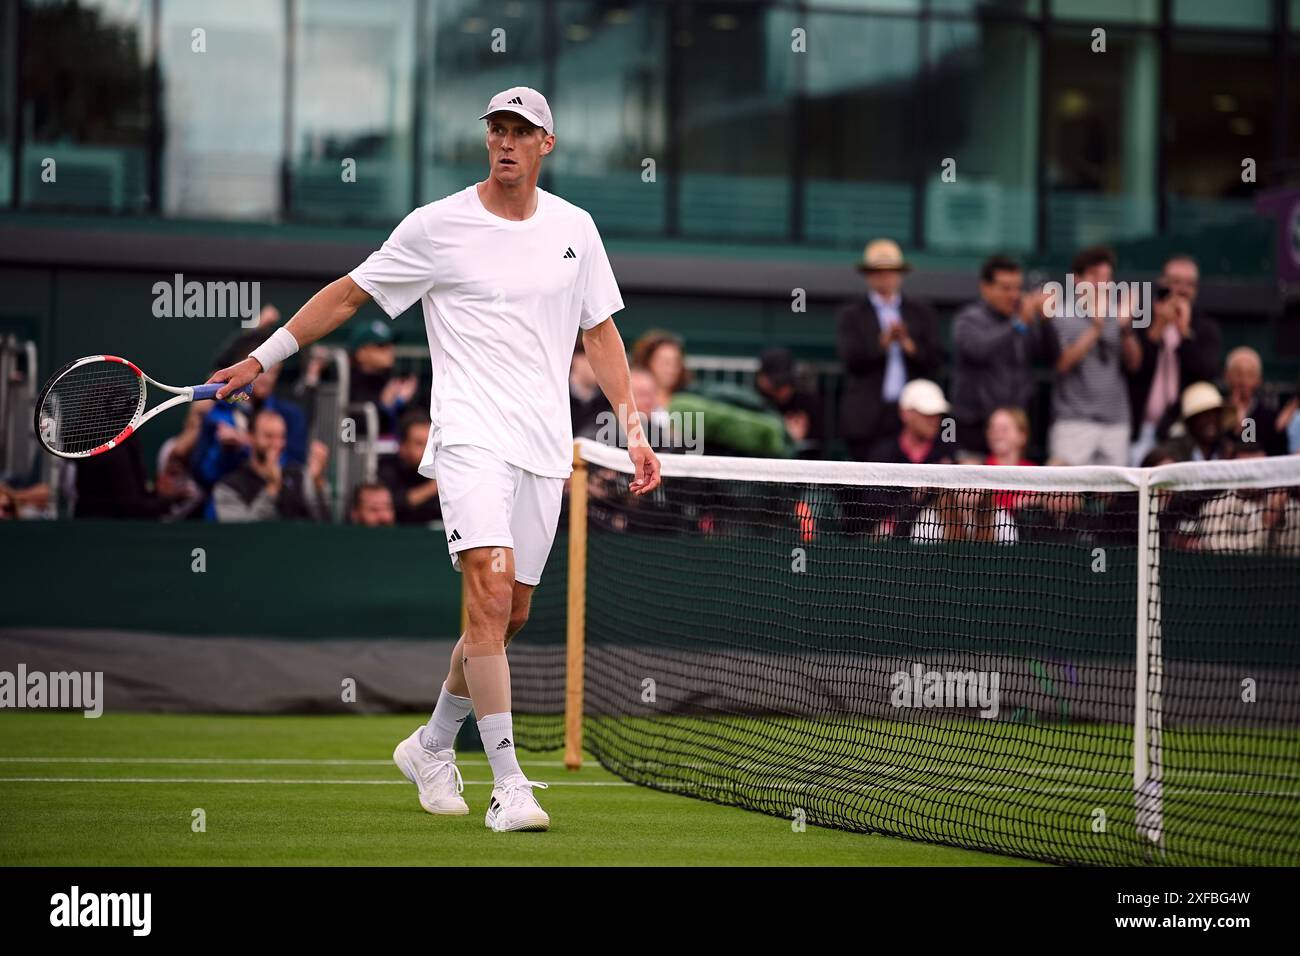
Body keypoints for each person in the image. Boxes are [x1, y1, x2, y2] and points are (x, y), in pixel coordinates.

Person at [206, 86, 661, 833]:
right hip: (469, 435)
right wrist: (262, 356)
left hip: (545, 446)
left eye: (522, 132)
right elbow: (350, 296)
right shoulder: (436, 225)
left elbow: (601, 334)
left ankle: (431, 744)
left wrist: (634, 429)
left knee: (511, 612)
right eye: (497, 130)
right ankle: (510, 784)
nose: (507, 142)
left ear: (546, 144)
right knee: (487, 586)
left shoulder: (577, 228)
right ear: (487, 139)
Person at [836, 239, 942, 460]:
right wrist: (881, 345)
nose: (885, 278)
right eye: (878, 272)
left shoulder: (920, 311)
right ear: (868, 275)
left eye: (891, 272)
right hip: (867, 418)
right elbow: (850, 360)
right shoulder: (852, 314)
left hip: (909, 417)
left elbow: (935, 359)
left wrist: (908, 345)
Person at [1047, 246, 1141, 466]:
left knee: (1115, 496)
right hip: (1074, 422)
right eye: (1094, 276)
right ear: (1077, 280)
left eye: (1106, 278)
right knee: (1064, 496)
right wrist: (1096, 327)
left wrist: (1125, 328)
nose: (1101, 284)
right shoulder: (1061, 315)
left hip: (1115, 422)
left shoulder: (1118, 316)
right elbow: (1062, 364)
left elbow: (1135, 363)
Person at [950, 254, 1052, 457]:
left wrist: (1045, 322)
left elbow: (1050, 357)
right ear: (985, 288)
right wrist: (1018, 325)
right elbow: (978, 349)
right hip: (975, 427)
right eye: (1006, 288)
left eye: (1017, 288)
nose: (1014, 295)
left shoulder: (1024, 320)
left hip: (1014, 429)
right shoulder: (968, 319)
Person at [1128, 254, 1223, 464]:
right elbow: (1134, 369)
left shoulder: (1205, 327)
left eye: (1189, 284)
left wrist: (1185, 334)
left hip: (1183, 432)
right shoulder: (1142, 320)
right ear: (1163, 284)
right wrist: (1158, 328)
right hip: (1140, 428)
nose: (1182, 290)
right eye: (1176, 282)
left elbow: (1206, 371)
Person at [212, 408, 329, 522]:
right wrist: (272, 488)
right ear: (251, 437)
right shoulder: (228, 487)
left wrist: (317, 483)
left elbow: (322, 524)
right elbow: (243, 534)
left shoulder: (299, 476)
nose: (277, 444)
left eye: (281, 436)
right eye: (269, 436)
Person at [754, 348, 824, 459]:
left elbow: (816, 447)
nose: (783, 389)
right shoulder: (755, 401)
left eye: (786, 382)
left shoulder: (807, 403)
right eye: (777, 384)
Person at [379, 411, 442, 525]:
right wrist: (433, 487)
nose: (428, 450)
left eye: (429, 443)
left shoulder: (440, 466)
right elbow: (393, 503)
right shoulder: (387, 468)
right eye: (419, 443)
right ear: (403, 446)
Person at [1223, 346, 1282, 454]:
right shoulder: (1216, 414)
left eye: (1249, 375)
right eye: (1238, 374)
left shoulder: (1269, 416)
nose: (1243, 381)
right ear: (1227, 376)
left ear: (1259, 380)